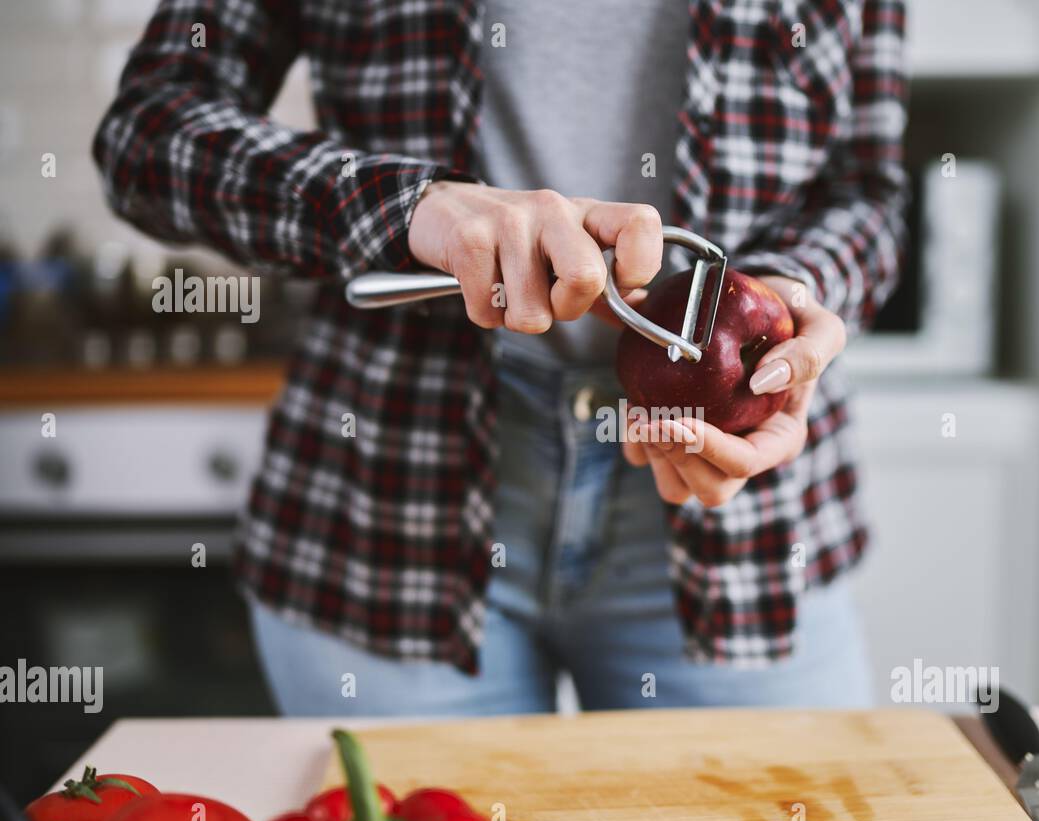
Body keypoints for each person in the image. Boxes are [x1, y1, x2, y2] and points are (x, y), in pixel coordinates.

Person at [93, 0, 908, 716]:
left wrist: (796, 297)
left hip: (741, 518)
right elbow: (147, 131)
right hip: (388, 499)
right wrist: (406, 206)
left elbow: (868, 193)